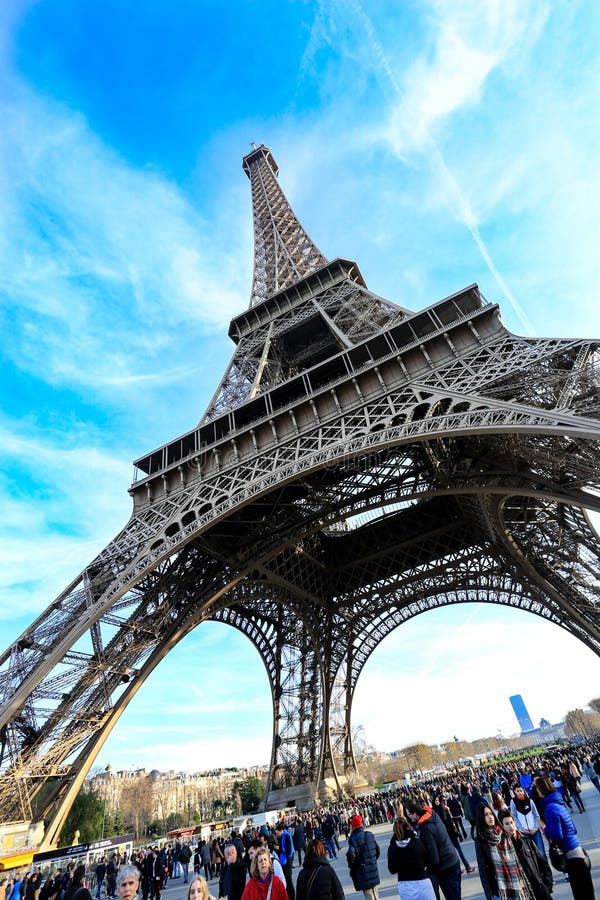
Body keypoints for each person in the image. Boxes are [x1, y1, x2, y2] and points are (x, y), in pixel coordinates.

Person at [535, 775, 595, 900]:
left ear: (542, 789)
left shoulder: (550, 808)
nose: (536, 790)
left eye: (537, 788)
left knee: (581, 894)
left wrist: (544, 827)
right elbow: (573, 828)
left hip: (572, 856)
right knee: (587, 893)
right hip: (578, 850)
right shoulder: (559, 803)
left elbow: (557, 835)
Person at [474, 804, 535, 900]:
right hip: (499, 890)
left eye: (491, 813)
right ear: (481, 817)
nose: (490, 817)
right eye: (486, 814)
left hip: (517, 884)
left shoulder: (503, 833)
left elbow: (517, 859)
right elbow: (483, 870)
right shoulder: (481, 840)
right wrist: (489, 895)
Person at [405, 799, 461, 900]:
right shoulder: (432, 814)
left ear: (415, 814)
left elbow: (434, 858)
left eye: (409, 814)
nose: (408, 817)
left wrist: (427, 873)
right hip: (453, 860)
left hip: (446, 868)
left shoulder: (425, 828)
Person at [498, 811, 553, 900]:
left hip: (541, 891)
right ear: (502, 827)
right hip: (523, 895)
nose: (511, 826)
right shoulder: (504, 850)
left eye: (512, 822)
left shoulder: (527, 842)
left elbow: (544, 865)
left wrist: (547, 887)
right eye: (507, 824)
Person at [387, 816, 436, 900]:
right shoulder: (417, 843)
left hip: (405, 885)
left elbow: (392, 870)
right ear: (408, 827)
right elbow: (428, 861)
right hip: (422, 882)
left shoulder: (392, 848)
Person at [346, 814, 381, 900]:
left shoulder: (353, 839)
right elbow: (377, 850)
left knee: (369, 895)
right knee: (375, 894)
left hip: (362, 870)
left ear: (353, 826)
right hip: (372, 868)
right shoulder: (369, 835)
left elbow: (351, 855)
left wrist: (353, 866)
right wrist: (372, 860)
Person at [510, 787, 546, 858]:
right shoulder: (513, 802)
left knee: (541, 852)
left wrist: (535, 828)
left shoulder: (530, 801)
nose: (520, 792)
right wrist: (520, 828)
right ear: (514, 792)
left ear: (523, 791)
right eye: (518, 791)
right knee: (530, 855)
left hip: (535, 832)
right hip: (524, 833)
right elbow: (514, 816)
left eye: (521, 790)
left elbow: (536, 815)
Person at [276, 822, 296, 900]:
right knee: (287, 880)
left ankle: (292, 897)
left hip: (288, 860)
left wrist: (279, 848)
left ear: (281, 831)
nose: (277, 834)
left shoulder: (286, 835)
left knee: (288, 880)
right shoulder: (284, 835)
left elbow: (287, 850)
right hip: (287, 859)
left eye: (278, 833)